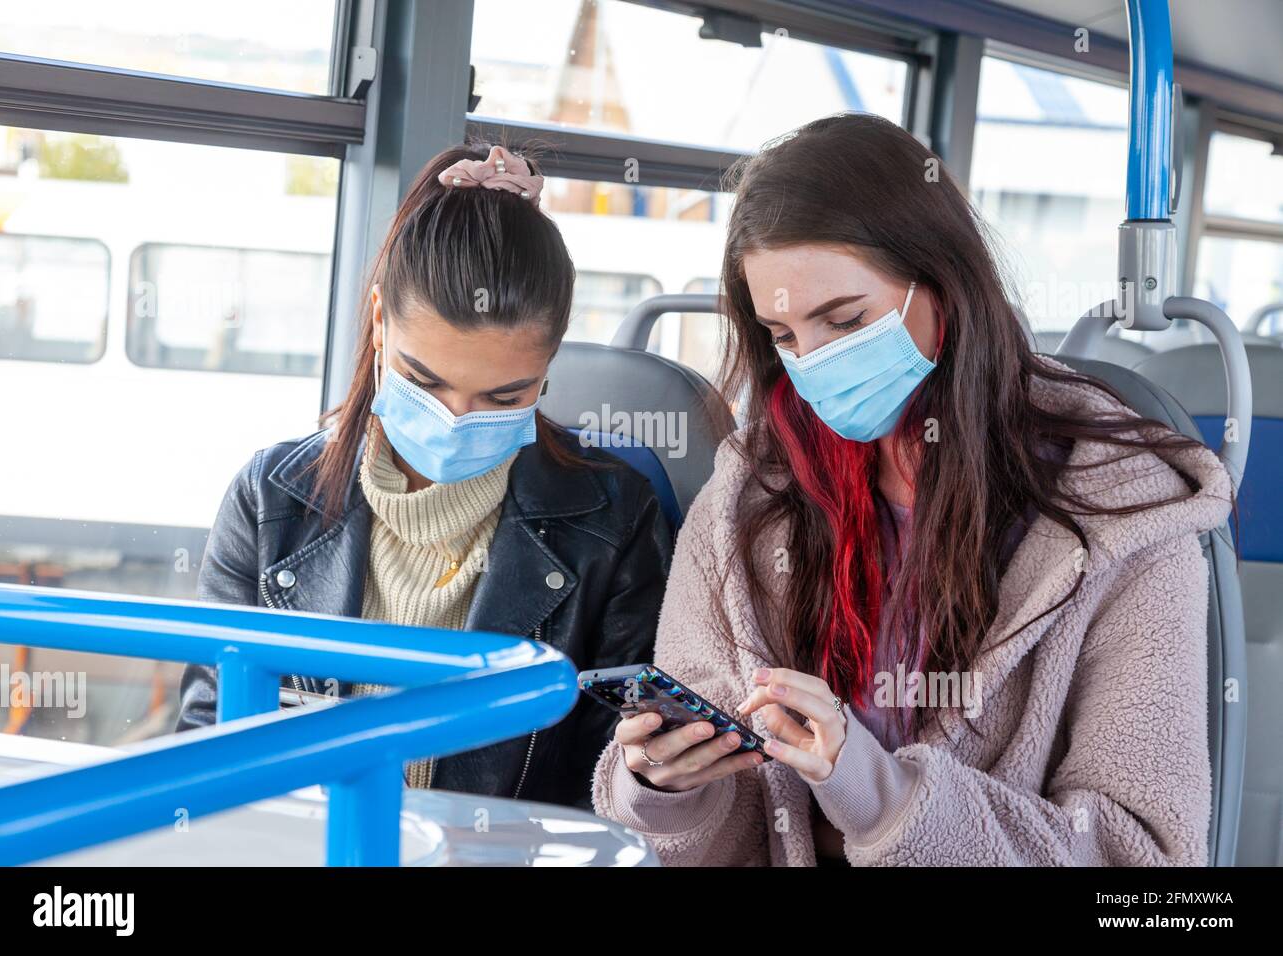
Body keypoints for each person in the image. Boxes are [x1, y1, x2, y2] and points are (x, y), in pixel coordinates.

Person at [591, 113, 1231, 865]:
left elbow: (1139, 857)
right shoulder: (752, 494)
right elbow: (728, 839)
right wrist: (670, 789)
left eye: (845, 320)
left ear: (945, 287)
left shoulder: (1118, 516)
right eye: (785, 335)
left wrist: (885, 798)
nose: (814, 365)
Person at [178, 145, 672, 809]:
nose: (456, 420)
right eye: (424, 382)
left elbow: (603, 787)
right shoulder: (269, 499)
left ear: (549, 364)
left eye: (502, 398)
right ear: (379, 321)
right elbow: (208, 738)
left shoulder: (614, 519)